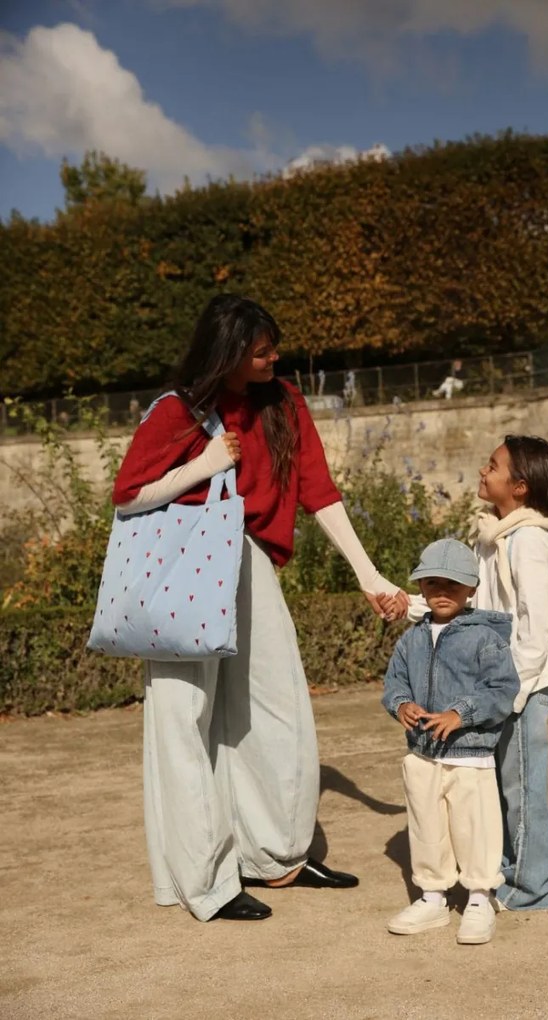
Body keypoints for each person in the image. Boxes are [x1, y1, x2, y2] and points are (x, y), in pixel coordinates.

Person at [112, 293, 408, 923]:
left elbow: (318, 491)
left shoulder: (285, 401)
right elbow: (129, 494)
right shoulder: (180, 410)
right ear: (227, 351)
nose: (274, 355)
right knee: (184, 719)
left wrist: (368, 574)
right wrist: (205, 464)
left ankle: (275, 857)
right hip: (185, 569)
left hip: (247, 563)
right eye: (260, 348)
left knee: (280, 710)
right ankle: (205, 882)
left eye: (274, 344)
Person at [382, 539, 519, 945]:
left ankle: (479, 898)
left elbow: (502, 689)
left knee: (474, 825)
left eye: (453, 585)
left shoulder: (485, 638)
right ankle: (433, 896)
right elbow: (394, 682)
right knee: (427, 825)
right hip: (422, 752)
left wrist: (461, 713)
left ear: (472, 589)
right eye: (433, 583)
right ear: (421, 587)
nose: (442, 592)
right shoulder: (412, 639)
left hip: (471, 754)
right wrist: (401, 704)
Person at [473, 435, 548, 911]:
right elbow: (477, 605)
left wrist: (514, 691)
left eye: (493, 466)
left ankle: (533, 889)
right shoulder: (493, 535)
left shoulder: (529, 539)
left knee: (523, 787)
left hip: (523, 685)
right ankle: (508, 871)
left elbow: (537, 626)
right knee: (499, 783)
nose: (483, 471)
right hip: (499, 683)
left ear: (522, 486)